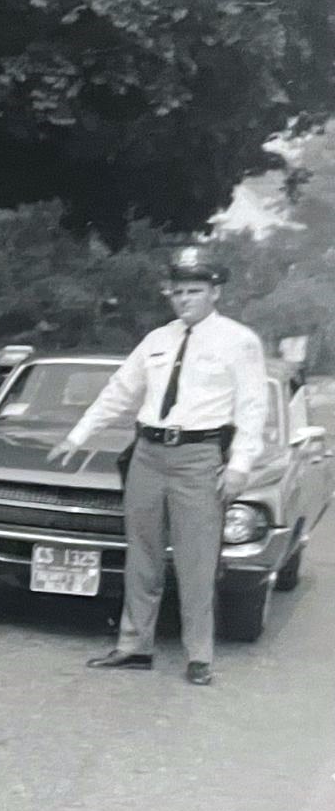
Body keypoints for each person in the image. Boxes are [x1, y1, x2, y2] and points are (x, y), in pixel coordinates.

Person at [48, 246, 268, 687]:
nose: (184, 299)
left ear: (215, 292)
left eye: (195, 290)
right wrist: (78, 435)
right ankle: (134, 646)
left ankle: (199, 656)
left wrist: (240, 465)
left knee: (196, 560)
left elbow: (252, 407)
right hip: (148, 453)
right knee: (142, 556)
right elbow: (119, 391)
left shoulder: (238, 341)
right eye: (178, 291)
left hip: (199, 457)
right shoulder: (157, 340)